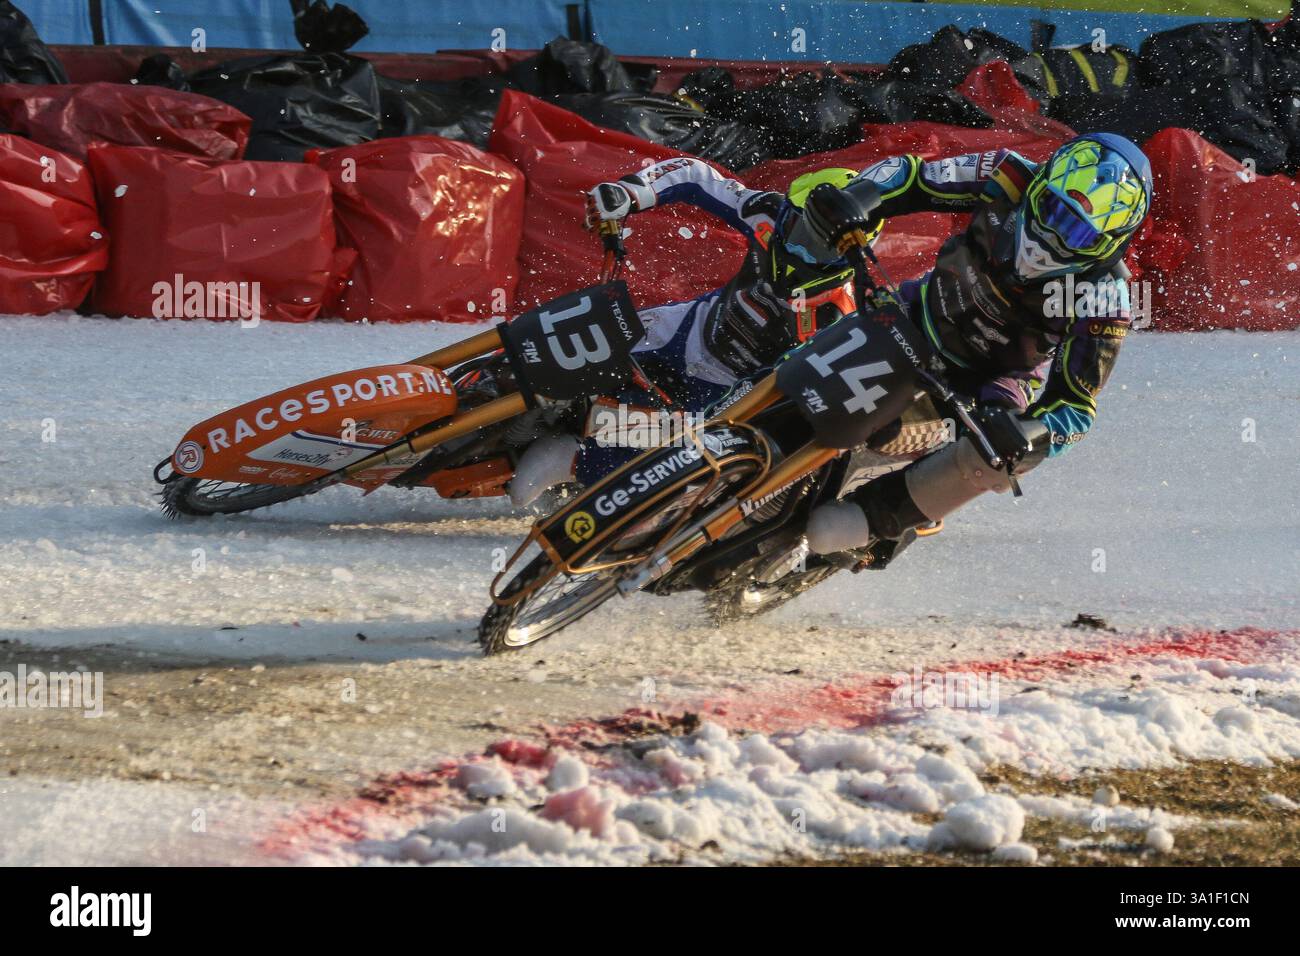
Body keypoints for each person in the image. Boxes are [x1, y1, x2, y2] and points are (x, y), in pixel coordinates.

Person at [513, 134, 1152, 562]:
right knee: (783, 396)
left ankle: (891, 517)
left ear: (1109, 242)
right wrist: (861, 202)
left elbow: (1076, 406)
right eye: (1053, 210)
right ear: (1042, 186)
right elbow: (908, 178)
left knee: (984, 462)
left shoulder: (1106, 297)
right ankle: (646, 482)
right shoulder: (1006, 175)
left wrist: (1027, 433)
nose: (1052, 234)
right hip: (909, 317)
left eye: (1077, 229)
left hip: (983, 386)